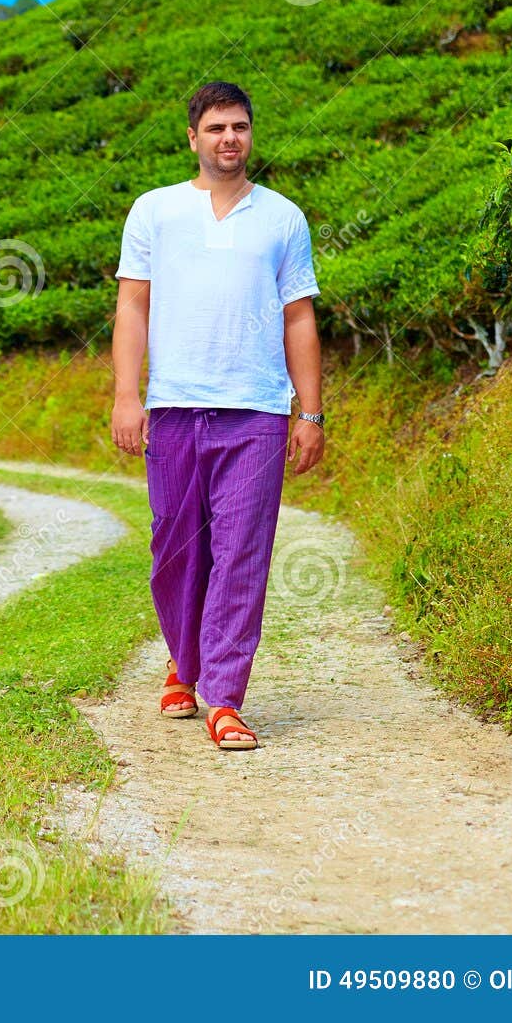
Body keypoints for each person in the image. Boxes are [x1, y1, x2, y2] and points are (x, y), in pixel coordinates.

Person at [111, 80, 326, 751]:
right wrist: (126, 393)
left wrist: (310, 411)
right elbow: (133, 307)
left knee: (240, 553)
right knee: (174, 551)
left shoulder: (283, 218)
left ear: (250, 134)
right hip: (174, 406)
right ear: (193, 137)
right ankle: (184, 657)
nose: (229, 138)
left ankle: (224, 697)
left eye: (240, 126)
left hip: (257, 412)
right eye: (216, 128)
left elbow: (298, 317)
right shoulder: (155, 212)